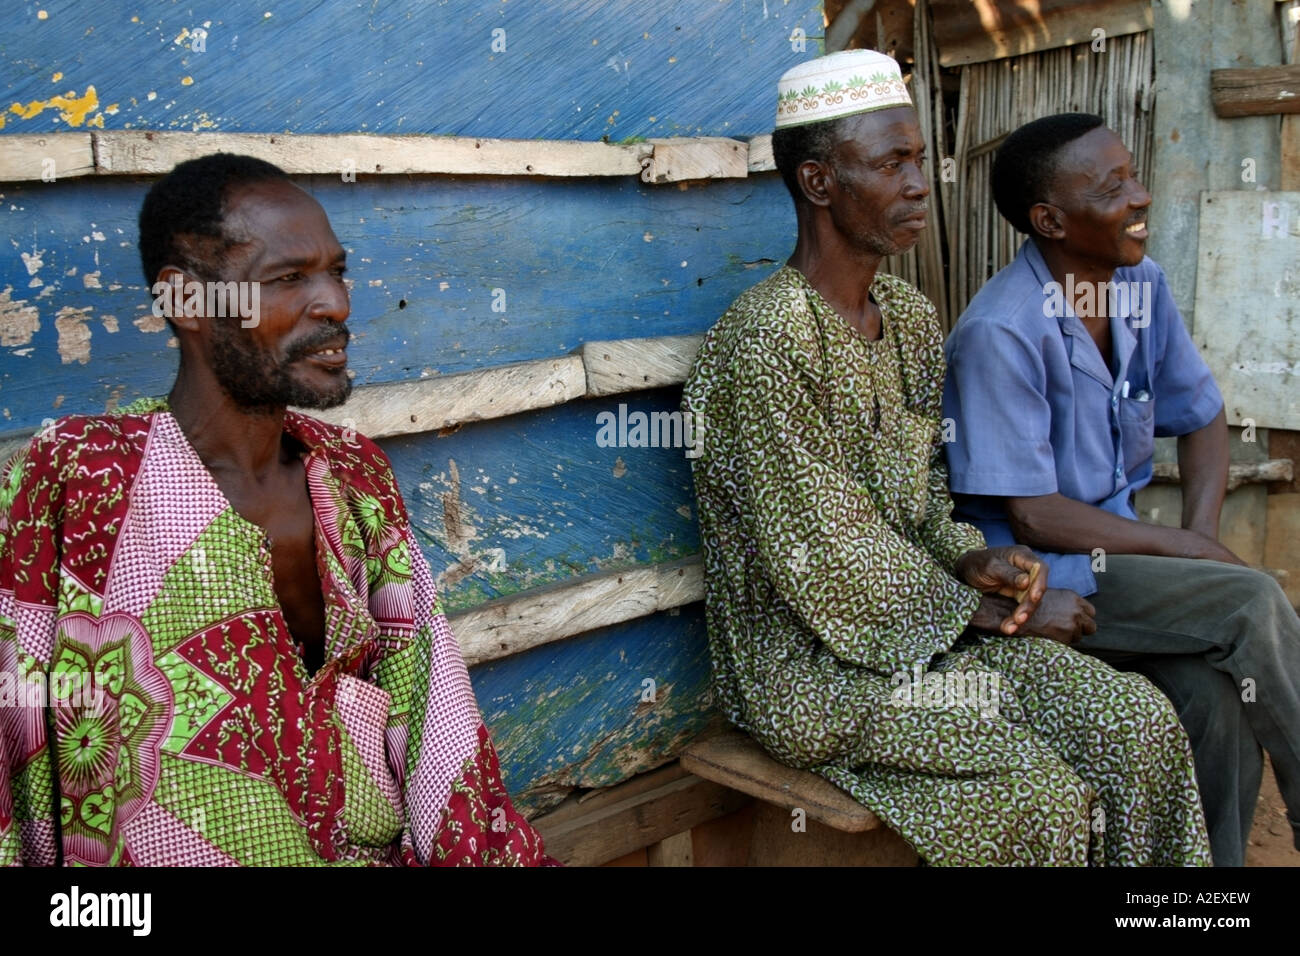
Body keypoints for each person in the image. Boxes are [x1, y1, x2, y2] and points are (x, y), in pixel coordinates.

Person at [683, 51, 1211, 866]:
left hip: (922, 634)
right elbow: (826, 555)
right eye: (891, 163)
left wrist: (982, 563)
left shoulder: (909, 317)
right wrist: (977, 611)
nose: (921, 182)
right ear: (820, 183)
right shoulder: (766, 342)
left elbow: (927, 502)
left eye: (920, 159)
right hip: (812, 675)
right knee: (1041, 798)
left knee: (1136, 724)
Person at [0, 153, 551, 866]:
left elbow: (430, 706)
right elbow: (17, 736)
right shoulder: (83, 478)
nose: (336, 305)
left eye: (337, 272)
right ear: (186, 302)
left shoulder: (352, 475)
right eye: (288, 279)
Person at [942, 112, 1300, 865]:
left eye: (1135, 175)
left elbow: (1203, 419)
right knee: (1253, 602)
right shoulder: (1001, 332)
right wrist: (1187, 549)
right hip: (1042, 580)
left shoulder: (1140, 285)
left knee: (1214, 702)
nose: (1141, 197)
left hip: (1124, 560)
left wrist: (1197, 544)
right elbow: (1032, 514)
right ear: (1052, 220)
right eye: (1114, 188)